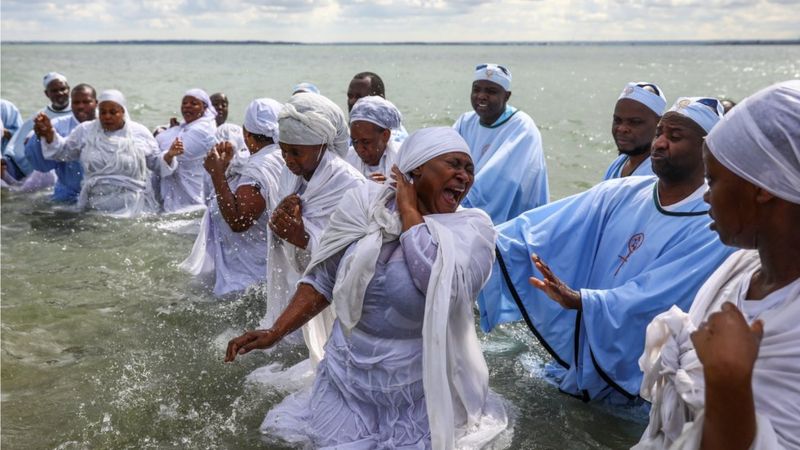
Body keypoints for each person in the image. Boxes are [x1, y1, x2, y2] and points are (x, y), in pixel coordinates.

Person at [226, 127, 509, 449]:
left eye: (469, 169)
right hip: (348, 375)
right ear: (417, 168)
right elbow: (323, 279)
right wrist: (275, 332)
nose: (464, 176)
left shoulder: (473, 230)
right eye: (454, 164)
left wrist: (409, 212)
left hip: (417, 387)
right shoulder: (364, 205)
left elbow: (436, 283)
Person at [478, 96, 734, 403]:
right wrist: (473, 240)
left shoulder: (713, 220)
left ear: (708, 150)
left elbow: (661, 296)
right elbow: (539, 229)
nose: (661, 143)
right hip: (590, 341)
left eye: (675, 137)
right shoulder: (623, 192)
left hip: (645, 382)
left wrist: (584, 301)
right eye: (660, 133)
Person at [635, 80, 800, 450]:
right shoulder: (739, 270)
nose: (707, 194)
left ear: (763, 187)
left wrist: (729, 382)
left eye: (713, 179)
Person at [260, 92, 365, 353]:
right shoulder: (290, 173)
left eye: (296, 152)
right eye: (283, 151)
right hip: (296, 281)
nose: (288, 159)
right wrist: (279, 223)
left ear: (321, 145)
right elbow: (279, 227)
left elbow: (356, 256)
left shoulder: (350, 184)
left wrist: (304, 238)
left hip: (328, 294)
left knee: (334, 348)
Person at [180, 98, 284, 296]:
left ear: (246, 133)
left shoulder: (259, 166)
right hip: (271, 275)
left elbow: (239, 220)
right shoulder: (284, 158)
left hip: (247, 283)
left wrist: (217, 174)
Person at [37, 90, 161, 217]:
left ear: (123, 112)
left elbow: (157, 164)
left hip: (133, 205)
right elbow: (63, 153)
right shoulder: (86, 130)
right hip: (95, 204)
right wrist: (49, 134)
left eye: (113, 112)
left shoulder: (139, 132)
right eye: (103, 112)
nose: (107, 116)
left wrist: (170, 155)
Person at [453, 63, 549, 224]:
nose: (481, 96)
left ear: (507, 96)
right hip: (467, 199)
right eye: (477, 89)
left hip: (515, 220)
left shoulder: (522, 126)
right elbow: (442, 155)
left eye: (491, 91)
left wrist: (456, 203)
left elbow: (497, 180)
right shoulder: (465, 121)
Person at [24, 84, 96, 203]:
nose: (81, 107)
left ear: (96, 102)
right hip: (67, 196)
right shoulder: (56, 125)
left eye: (86, 102)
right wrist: (40, 136)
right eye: (76, 103)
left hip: (100, 195)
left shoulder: (108, 123)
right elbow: (42, 166)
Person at [2, 72, 72, 191]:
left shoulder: (80, 111)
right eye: (54, 90)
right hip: (45, 170)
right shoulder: (39, 117)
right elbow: (17, 146)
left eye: (63, 89)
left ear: (69, 90)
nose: (60, 93)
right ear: (46, 93)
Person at [155, 88, 218, 213]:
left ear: (204, 108)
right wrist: (172, 129)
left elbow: (171, 149)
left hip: (190, 196)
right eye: (184, 103)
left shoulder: (203, 130)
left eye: (193, 103)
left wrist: (165, 133)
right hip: (179, 192)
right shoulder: (185, 126)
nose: (187, 106)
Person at [603, 81, 666, 180]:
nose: (622, 129)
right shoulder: (619, 164)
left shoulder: (659, 174)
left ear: (659, 124)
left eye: (634, 122)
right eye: (617, 120)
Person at [345, 95, 403, 183]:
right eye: (354, 141)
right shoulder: (346, 161)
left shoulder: (403, 159)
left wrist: (393, 188)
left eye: (366, 142)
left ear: (385, 136)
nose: (360, 149)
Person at [346, 71, 408, 144]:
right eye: (350, 96)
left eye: (359, 97)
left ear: (379, 99)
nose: (352, 101)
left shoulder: (396, 140)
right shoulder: (347, 134)